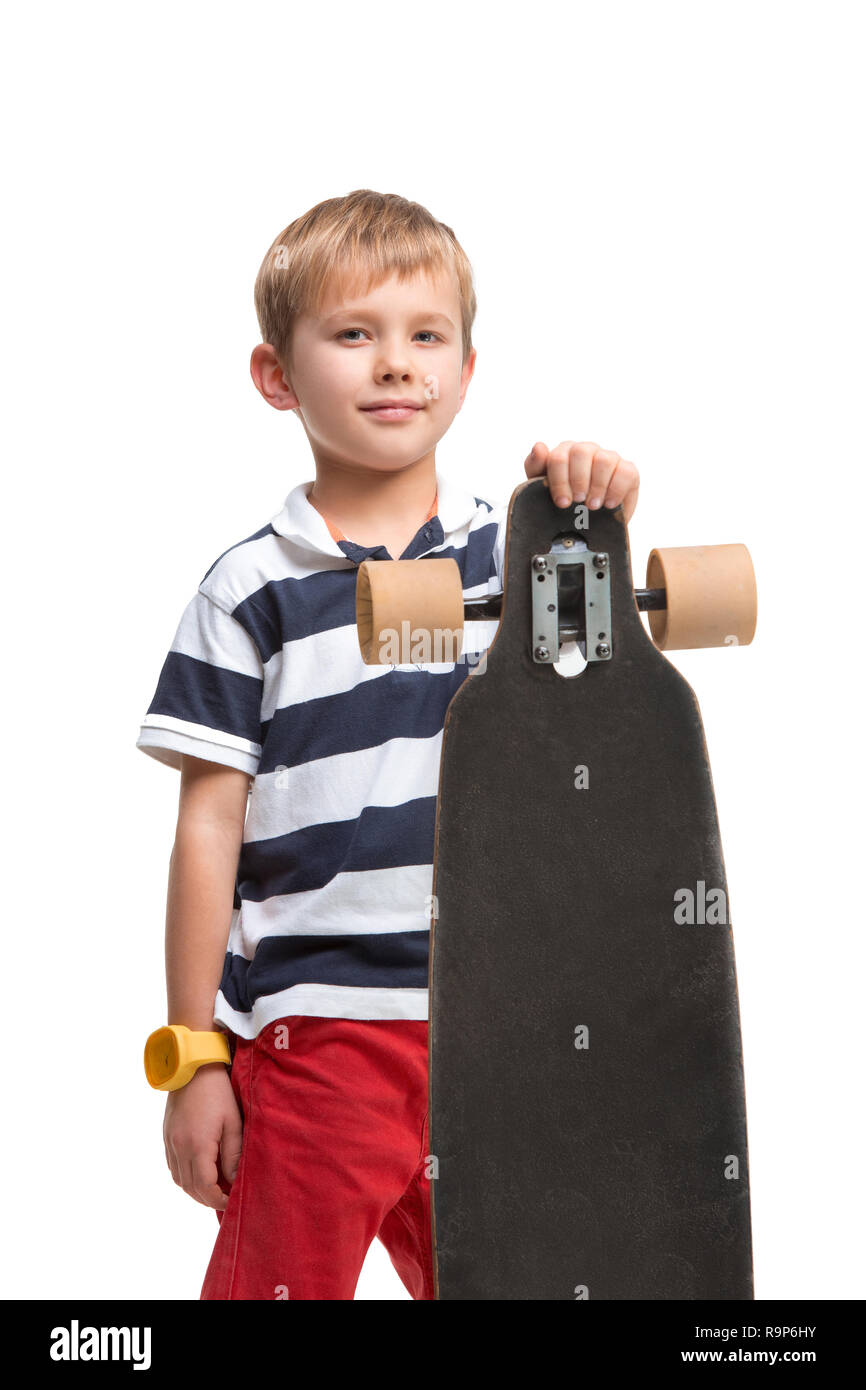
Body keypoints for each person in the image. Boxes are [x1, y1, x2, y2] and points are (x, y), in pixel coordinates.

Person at [136, 188, 640, 1300]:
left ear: (466, 370)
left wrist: (589, 509)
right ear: (277, 375)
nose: (395, 364)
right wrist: (193, 1056)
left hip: (494, 1016)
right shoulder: (252, 588)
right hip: (320, 1033)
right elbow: (208, 825)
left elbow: (603, 691)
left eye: (426, 336)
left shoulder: (508, 567)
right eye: (353, 334)